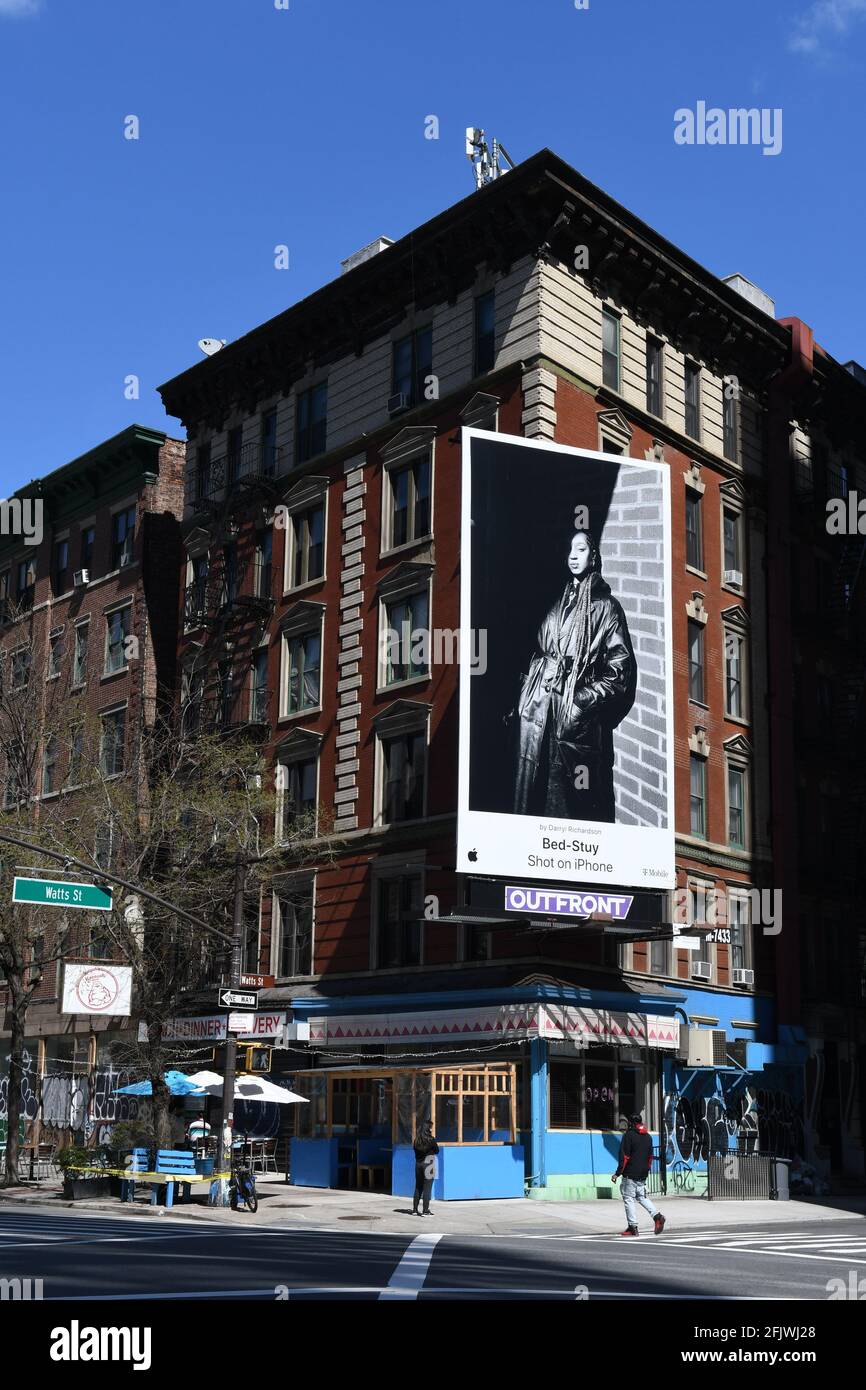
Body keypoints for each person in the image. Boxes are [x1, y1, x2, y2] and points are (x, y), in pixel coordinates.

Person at [513, 528, 637, 821]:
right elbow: (538, 649)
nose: (573, 556)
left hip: (570, 720)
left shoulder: (606, 608)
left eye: (580, 549)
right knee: (532, 798)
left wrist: (581, 701)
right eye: (569, 550)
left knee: (570, 809)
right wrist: (525, 692)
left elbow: (620, 673)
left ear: (593, 556)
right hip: (538, 711)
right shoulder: (556, 601)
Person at [612, 1112, 666, 1236]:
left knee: (628, 1198)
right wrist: (646, 1171)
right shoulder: (648, 1137)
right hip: (642, 1173)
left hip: (630, 1174)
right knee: (641, 1197)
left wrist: (617, 1173)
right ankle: (657, 1216)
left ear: (631, 1123)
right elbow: (650, 1158)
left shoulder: (629, 1135)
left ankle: (633, 1227)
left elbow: (624, 1157)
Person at [413, 1122, 439, 1217]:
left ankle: (415, 1210)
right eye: (431, 1127)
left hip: (418, 1164)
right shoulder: (431, 1140)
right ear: (428, 1129)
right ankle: (425, 1210)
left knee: (418, 1187)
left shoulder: (416, 1140)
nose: (432, 1129)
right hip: (429, 1163)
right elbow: (437, 1150)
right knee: (427, 1188)